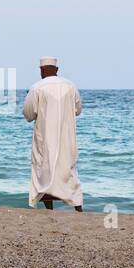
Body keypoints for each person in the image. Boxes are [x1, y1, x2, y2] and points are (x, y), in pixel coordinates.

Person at [22, 57, 83, 211]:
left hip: (45, 138)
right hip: (66, 137)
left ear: (42, 70)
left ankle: (49, 208)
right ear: (56, 70)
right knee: (68, 171)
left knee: (44, 170)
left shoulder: (37, 88)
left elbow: (29, 114)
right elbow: (78, 110)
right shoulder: (70, 86)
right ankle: (78, 208)